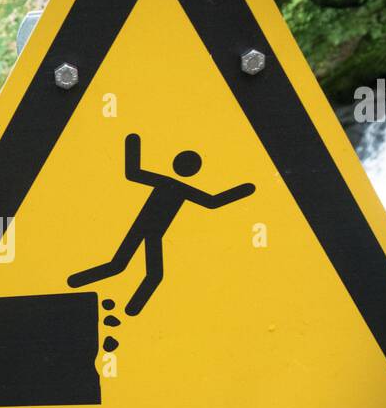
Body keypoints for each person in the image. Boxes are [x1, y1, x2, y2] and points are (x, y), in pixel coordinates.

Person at [67, 133, 255, 316]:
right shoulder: (181, 188)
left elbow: (133, 172)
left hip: (148, 230)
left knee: (124, 267)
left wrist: (133, 141)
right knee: (137, 270)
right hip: (150, 230)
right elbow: (212, 202)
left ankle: (123, 305)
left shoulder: (169, 183)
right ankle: (86, 287)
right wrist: (244, 190)